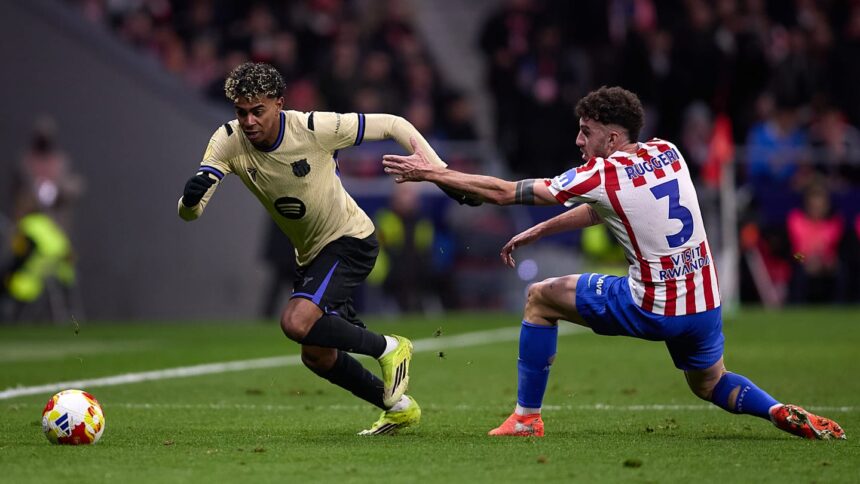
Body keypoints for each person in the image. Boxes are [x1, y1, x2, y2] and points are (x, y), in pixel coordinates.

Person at [382, 86, 846, 440]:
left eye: (586, 131)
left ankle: (526, 418)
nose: (579, 140)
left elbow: (504, 192)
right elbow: (609, 206)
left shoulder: (603, 172)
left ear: (612, 135)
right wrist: (540, 229)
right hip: (704, 304)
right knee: (710, 385)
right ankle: (776, 410)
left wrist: (432, 173)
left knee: (539, 299)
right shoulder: (669, 152)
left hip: (654, 306)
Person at [177, 62, 476, 435]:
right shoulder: (227, 138)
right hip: (311, 254)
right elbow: (191, 212)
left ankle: (389, 347)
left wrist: (442, 173)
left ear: (279, 104)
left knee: (295, 322)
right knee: (317, 355)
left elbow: (395, 124)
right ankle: (397, 407)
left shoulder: (314, 128)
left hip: (349, 239)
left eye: (258, 111)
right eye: (242, 112)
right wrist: (188, 202)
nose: (249, 121)